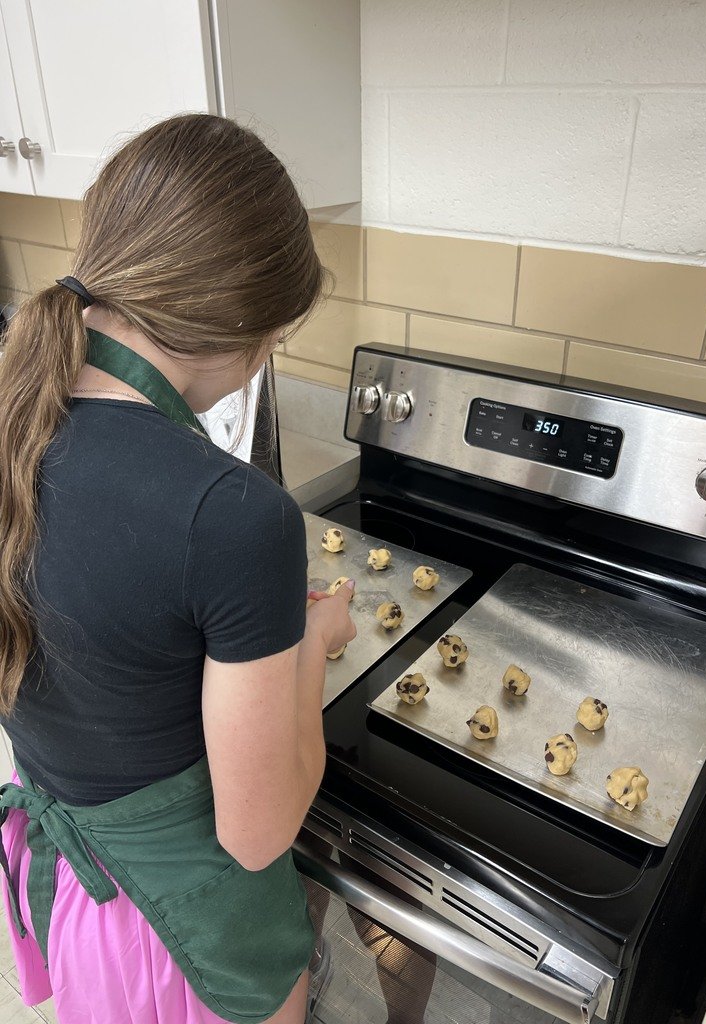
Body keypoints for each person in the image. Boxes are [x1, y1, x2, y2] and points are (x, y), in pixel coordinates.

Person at [0, 113, 357, 1024]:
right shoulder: (235, 517)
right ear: (254, 332)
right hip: (193, 950)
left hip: (81, 914)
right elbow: (257, 833)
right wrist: (314, 644)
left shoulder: (17, 417)